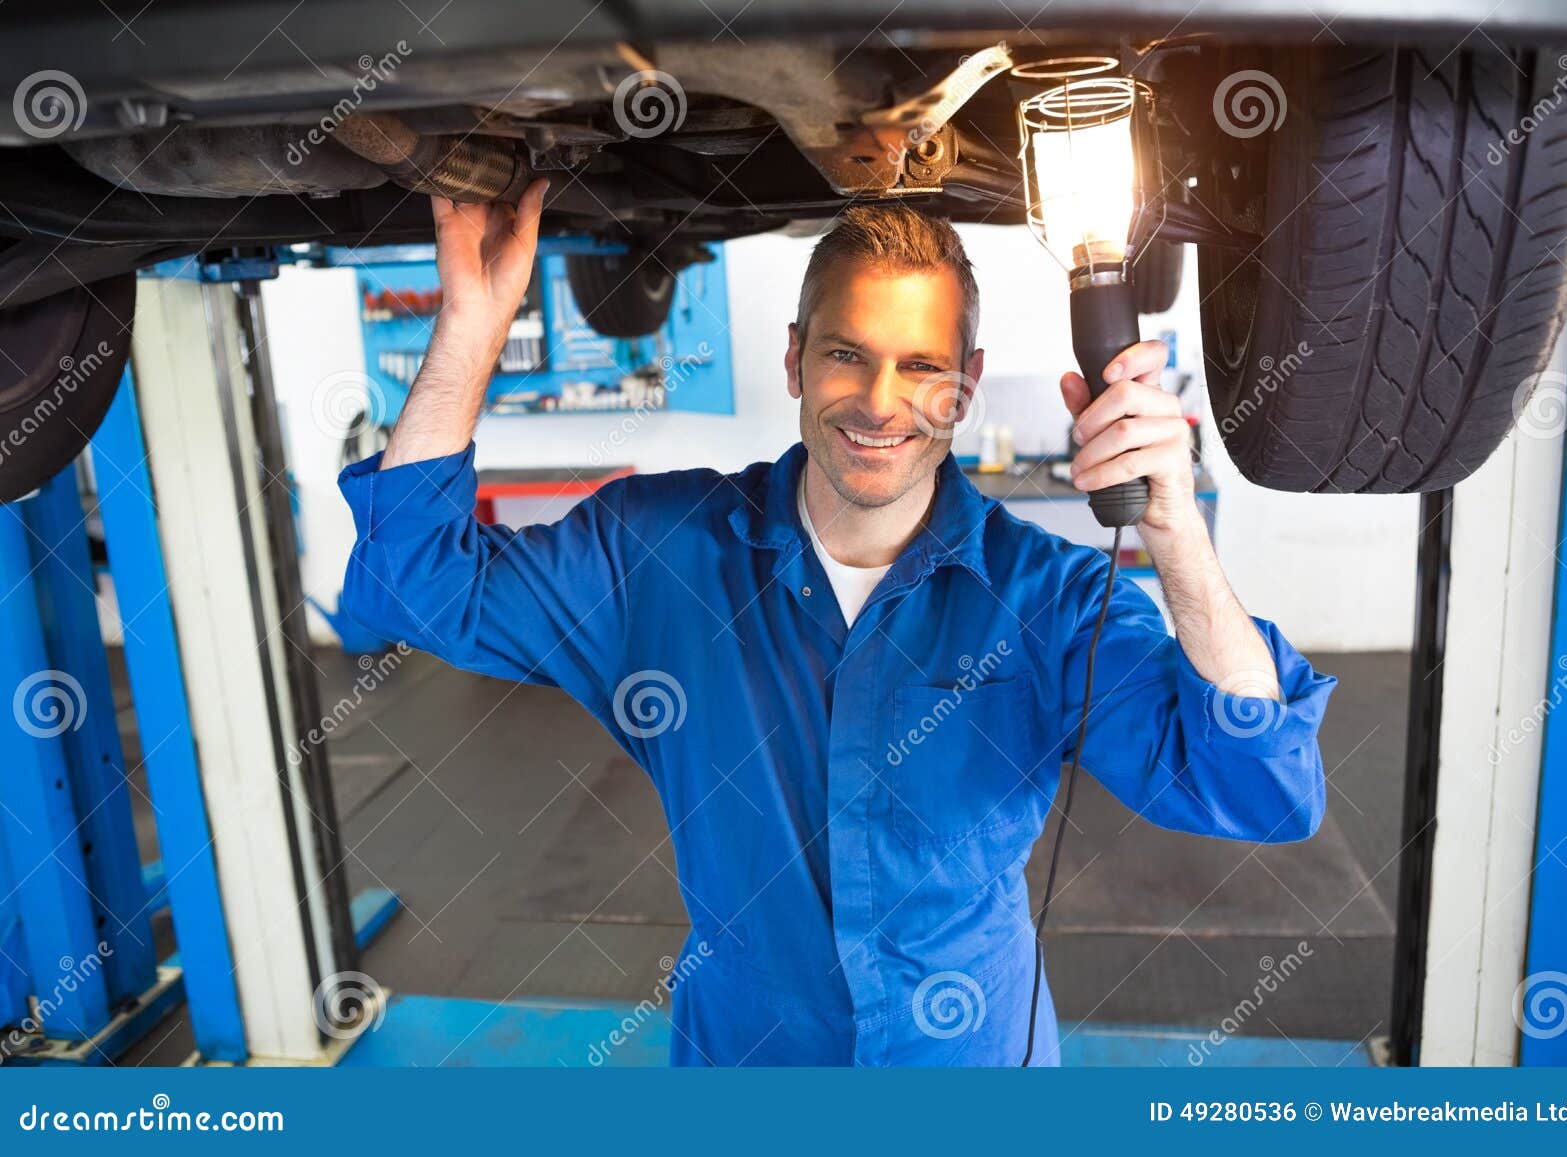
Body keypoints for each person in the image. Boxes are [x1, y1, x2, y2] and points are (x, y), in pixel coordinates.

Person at [337, 179, 1337, 1066]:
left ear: (966, 381)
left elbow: (1257, 785)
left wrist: (1175, 534)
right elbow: (415, 578)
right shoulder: (662, 553)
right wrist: (472, 323)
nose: (878, 400)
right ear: (794, 360)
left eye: (919, 364)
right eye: (847, 354)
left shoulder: (1047, 596)